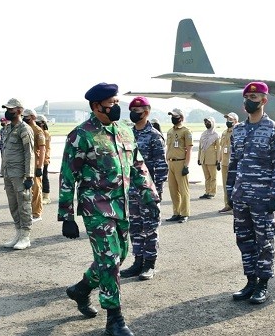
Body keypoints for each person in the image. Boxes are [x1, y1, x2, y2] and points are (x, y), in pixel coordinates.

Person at [59, 82, 160, 336]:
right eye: (112, 103)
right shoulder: (81, 135)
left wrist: (150, 195)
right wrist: (66, 216)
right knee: (109, 259)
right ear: (96, 106)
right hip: (96, 207)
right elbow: (67, 176)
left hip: (122, 205)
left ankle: (81, 289)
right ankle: (114, 318)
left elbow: (138, 164)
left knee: (120, 254)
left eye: (117, 102)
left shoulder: (125, 130)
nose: (117, 107)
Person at [227, 81, 275, 305]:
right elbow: (233, 163)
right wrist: (229, 191)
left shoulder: (274, 131)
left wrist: (274, 195)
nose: (249, 101)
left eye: (254, 98)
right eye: (247, 98)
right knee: (244, 240)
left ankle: (262, 284)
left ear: (264, 101)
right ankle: (250, 281)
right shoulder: (239, 130)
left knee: (265, 242)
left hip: (263, 198)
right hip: (241, 197)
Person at [121, 96, 168, 280]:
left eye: (137, 111)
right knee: (135, 227)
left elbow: (161, 167)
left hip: (148, 192)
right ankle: (137, 262)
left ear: (146, 112)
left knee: (150, 228)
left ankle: (150, 264)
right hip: (131, 191)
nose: (134, 114)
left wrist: (158, 192)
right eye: (132, 111)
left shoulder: (155, 136)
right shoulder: (128, 135)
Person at [0, 98, 35, 250]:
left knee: (24, 204)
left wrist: (29, 175)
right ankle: (18, 232)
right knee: (13, 204)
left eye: (11, 109)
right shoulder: (8, 128)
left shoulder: (24, 129)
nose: (8, 112)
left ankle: (25, 236)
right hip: (9, 172)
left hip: (20, 173)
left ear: (19, 110)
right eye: (7, 109)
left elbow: (30, 153)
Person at [165, 108, 192, 223]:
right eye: (171, 116)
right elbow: (168, 147)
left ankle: (185, 213)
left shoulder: (186, 131)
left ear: (181, 117)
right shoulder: (170, 131)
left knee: (183, 190)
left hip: (181, 162)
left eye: (175, 116)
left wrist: (186, 165)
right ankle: (176, 212)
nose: (173, 118)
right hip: (171, 162)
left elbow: (189, 149)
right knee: (173, 190)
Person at [23, 108, 46, 222]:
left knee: (36, 188)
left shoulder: (38, 130)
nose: (24, 118)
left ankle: (37, 213)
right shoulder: (24, 128)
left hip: (35, 162)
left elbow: (42, 149)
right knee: (27, 189)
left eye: (27, 116)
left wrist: (39, 167)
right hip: (26, 162)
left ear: (33, 117)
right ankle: (28, 212)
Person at [218, 112, 238, 214]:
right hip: (225, 163)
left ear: (235, 120)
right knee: (226, 185)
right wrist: (219, 160)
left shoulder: (237, 131)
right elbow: (222, 148)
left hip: (234, 163)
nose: (228, 121)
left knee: (234, 185)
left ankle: (235, 206)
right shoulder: (225, 132)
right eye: (227, 119)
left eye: (230, 119)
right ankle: (227, 204)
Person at [198, 116, 220, 200]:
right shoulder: (203, 134)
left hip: (212, 159)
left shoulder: (216, 135)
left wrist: (218, 160)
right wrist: (199, 158)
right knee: (207, 177)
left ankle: (212, 192)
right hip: (203, 158)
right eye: (205, 123)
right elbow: (200, 147)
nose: (207, 124)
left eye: (208, 122)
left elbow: (218, 148)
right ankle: (207, 191)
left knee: (213, 177)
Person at [37, 115, 52, 204]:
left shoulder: (45, 133)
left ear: (43, 123)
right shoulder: (39, 132)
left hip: (44, 159)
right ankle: (40, 195)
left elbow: (46, 148)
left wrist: (45, 159)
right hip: (39, 158)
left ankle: (46, 196)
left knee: (44, 178)